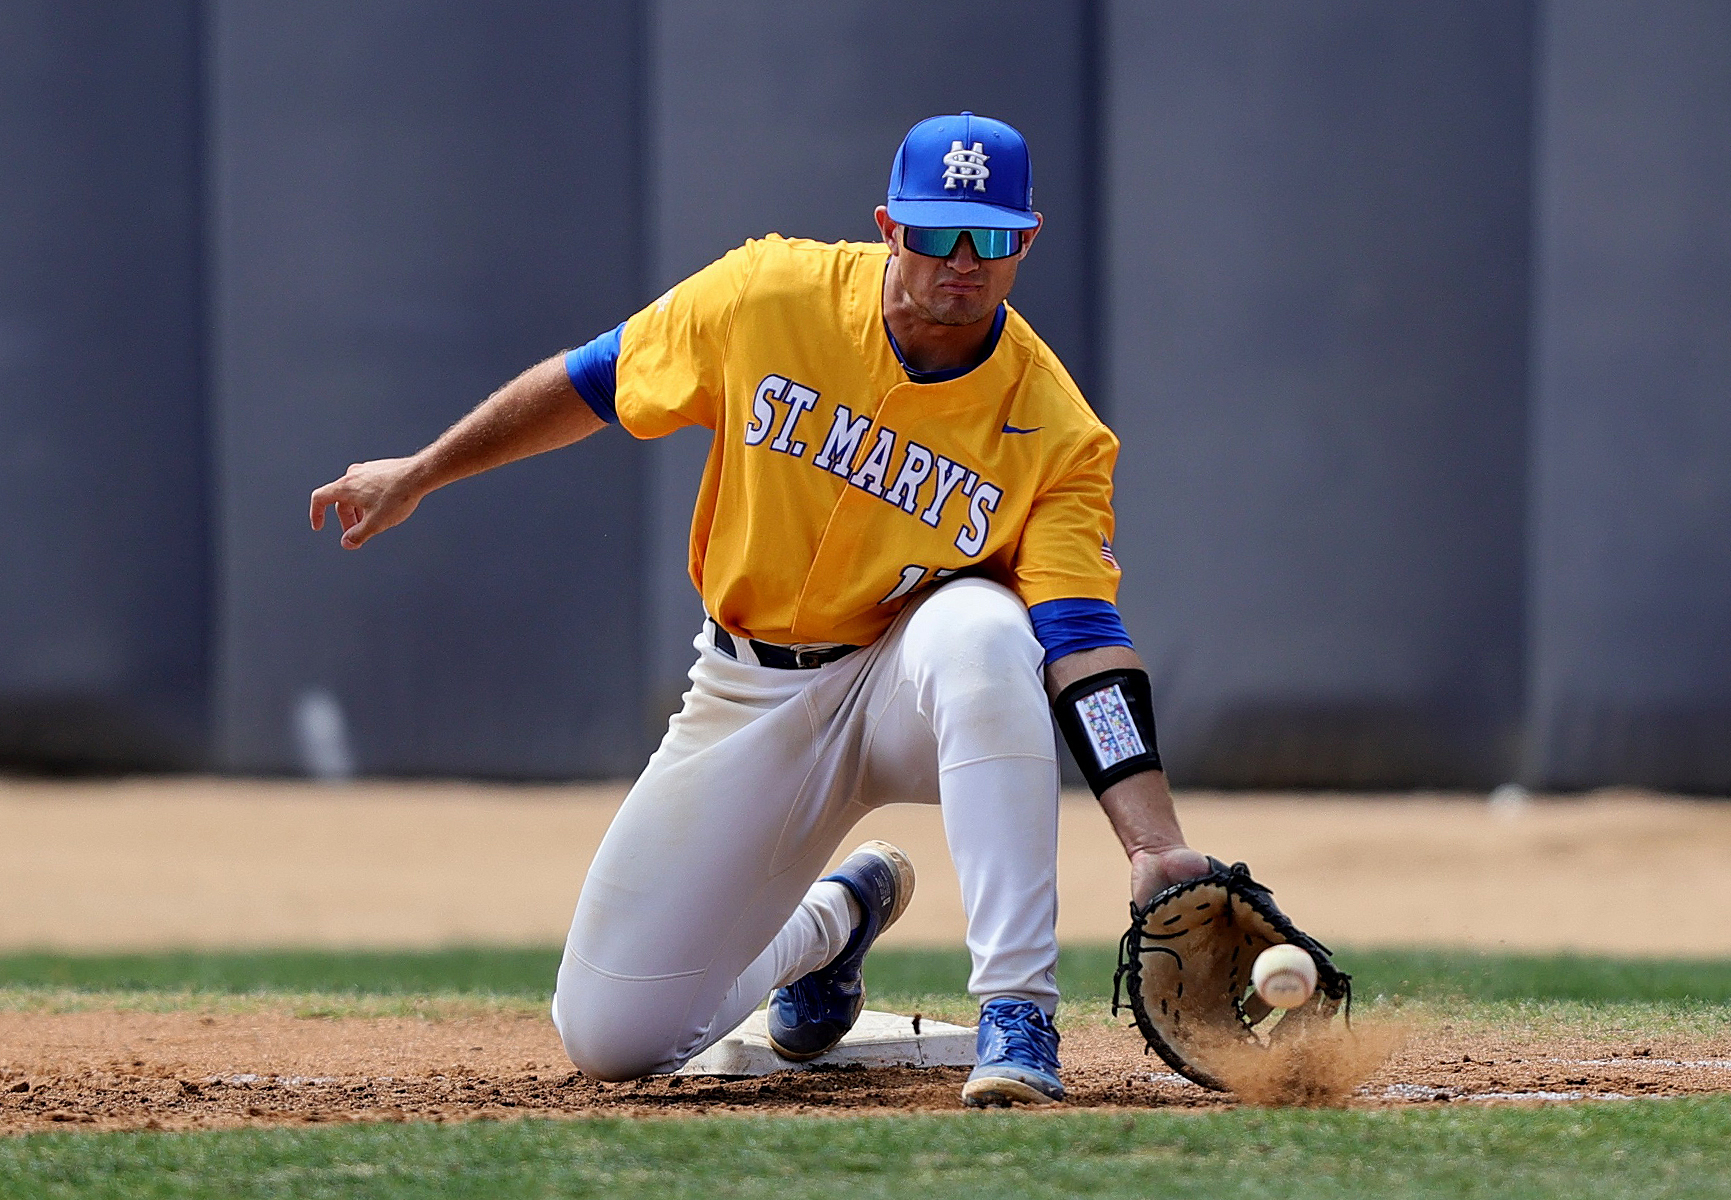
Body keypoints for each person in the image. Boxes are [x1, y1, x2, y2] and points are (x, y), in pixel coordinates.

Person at [310, 112, 1213, 1107]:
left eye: (991, 237)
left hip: (901, 687)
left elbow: (1084, 638)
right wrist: (423, 473)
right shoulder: (769, 293)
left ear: (1028, 241)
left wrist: (1154, 844)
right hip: (746, 692)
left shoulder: (1058, 431)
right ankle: (831, 926)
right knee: (613, 1037)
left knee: (990, 629)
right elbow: (593, 381)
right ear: (886, 226)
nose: (963, 260)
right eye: (935, 232)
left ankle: (1018, 1009)